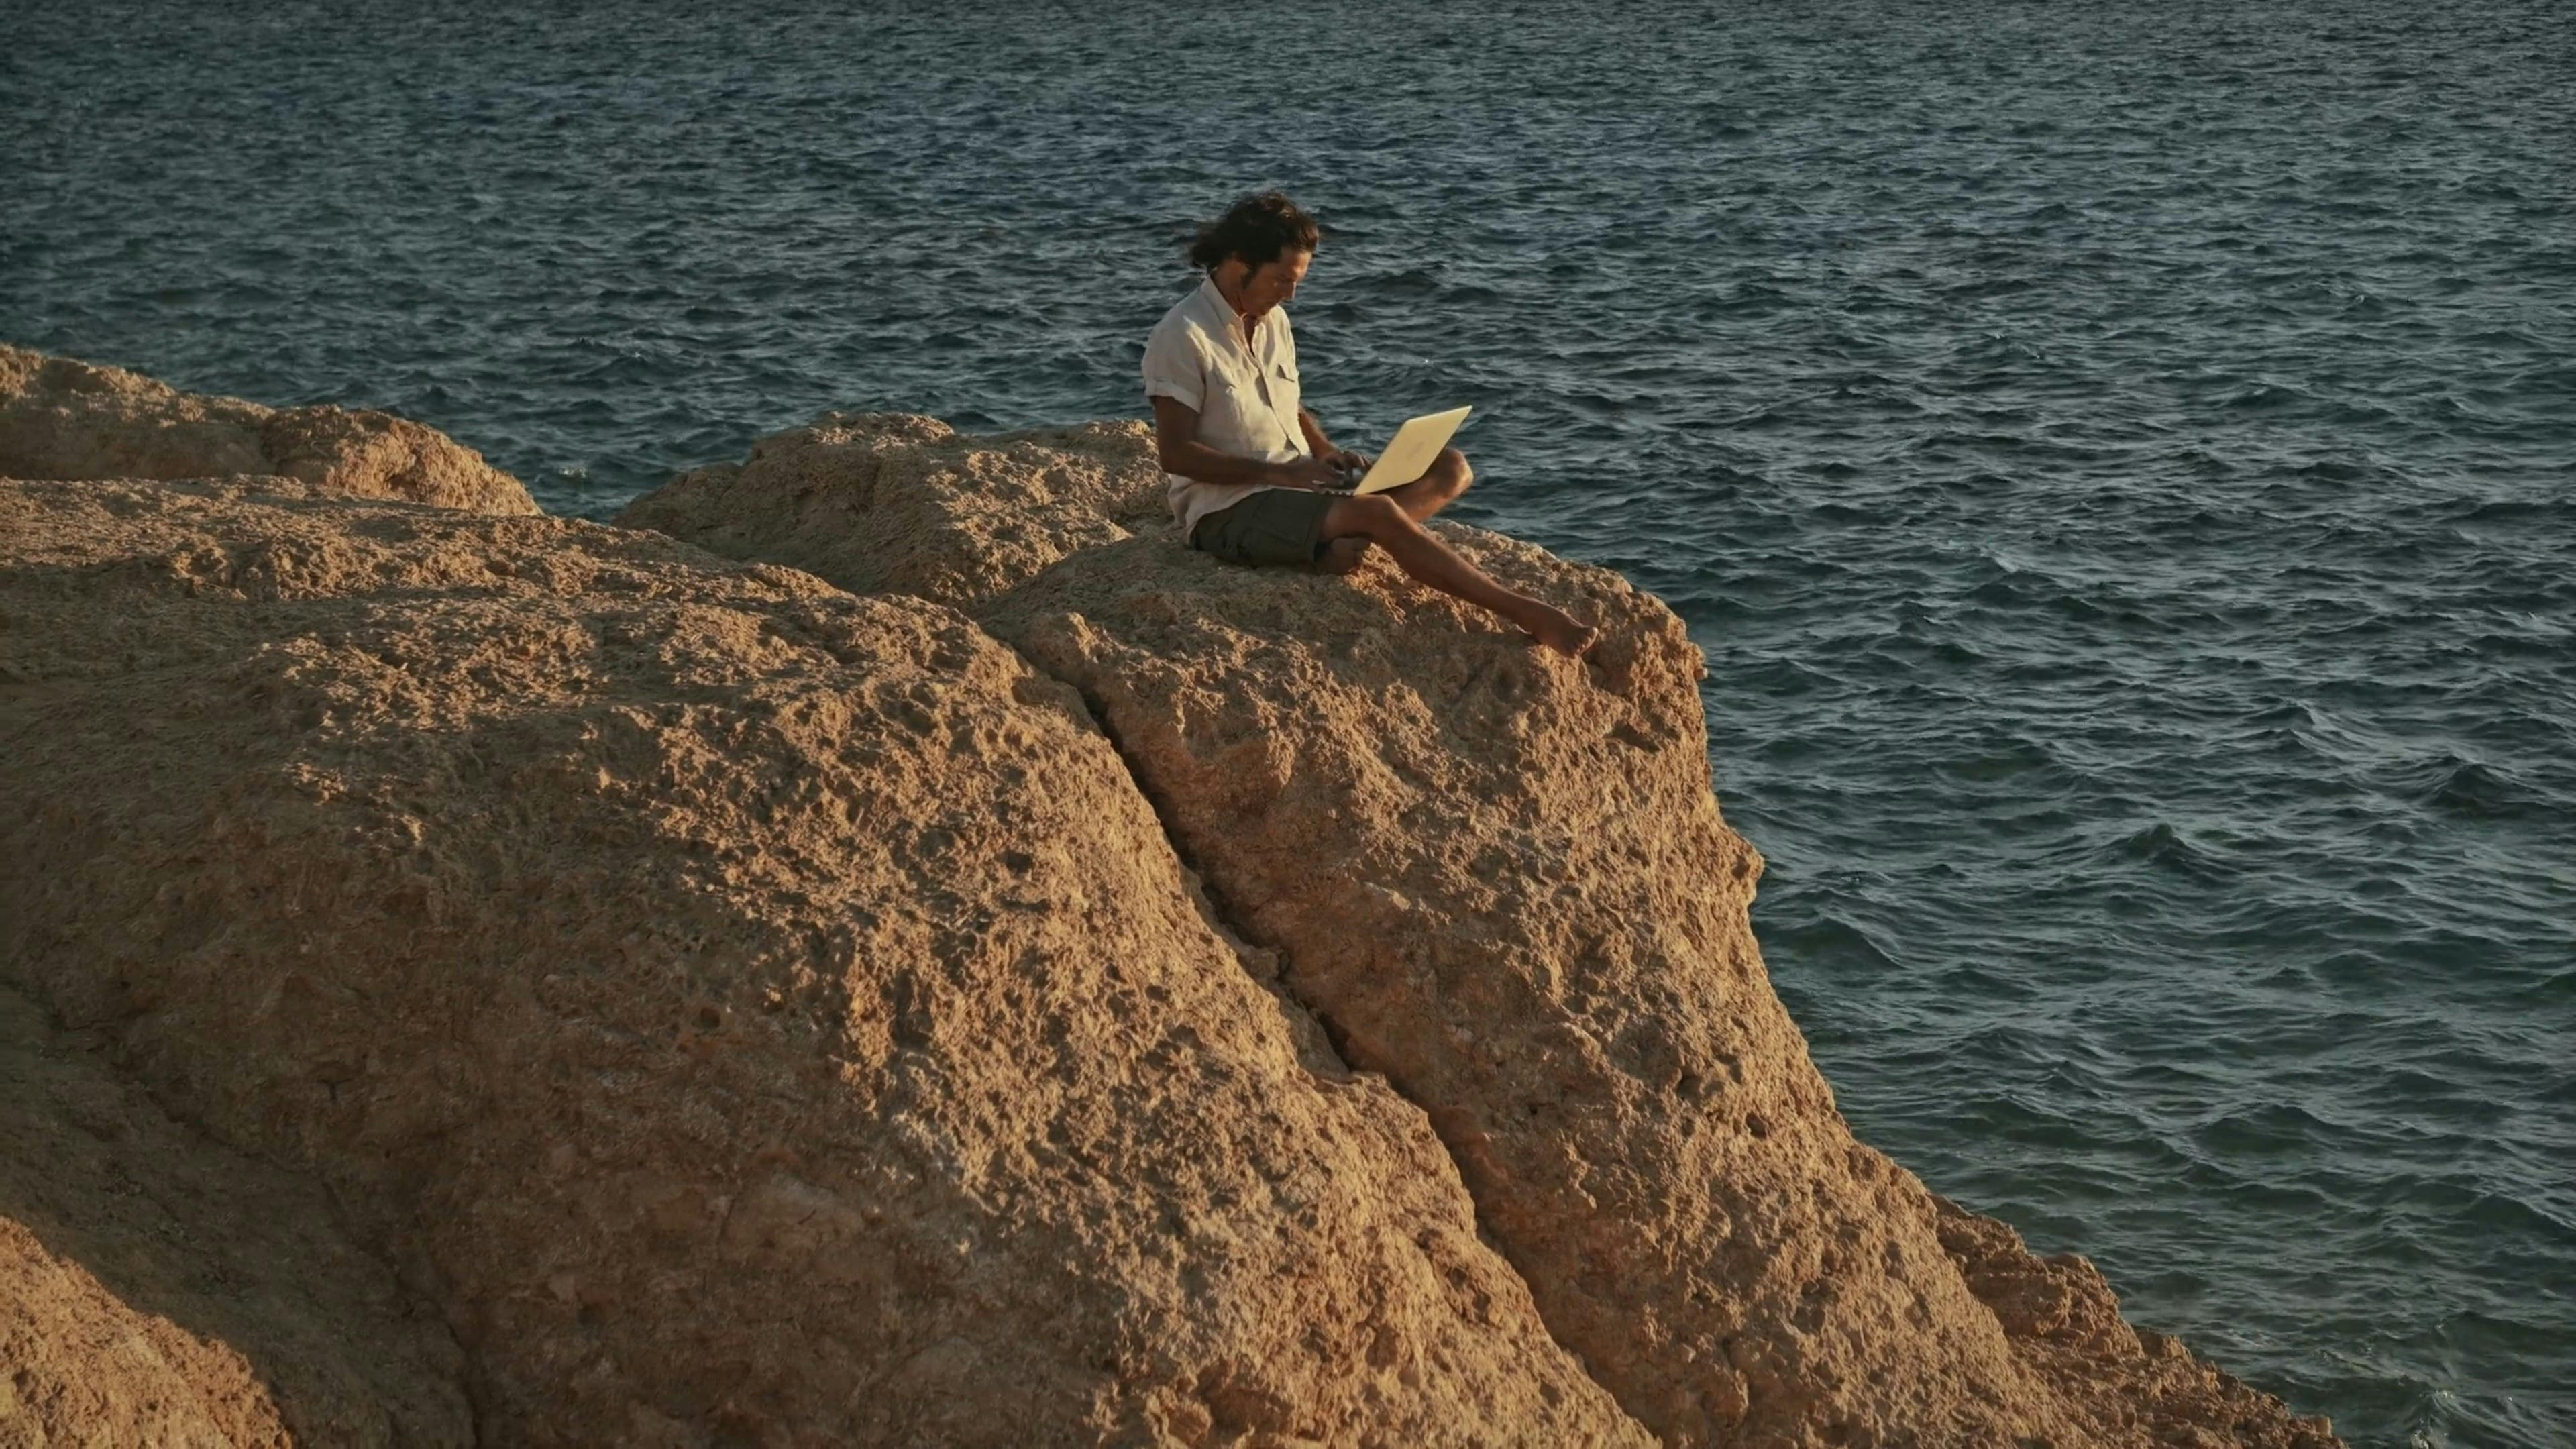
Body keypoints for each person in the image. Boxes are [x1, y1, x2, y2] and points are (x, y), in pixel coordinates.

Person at [1141, 191, 1599, 657]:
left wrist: (1321, 450)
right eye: (1282, 279)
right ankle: (1526, 612)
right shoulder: (1183, 334)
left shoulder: (1273, 321)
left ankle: (1340, 546)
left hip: (1299, 488)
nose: (1291, 294)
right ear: (1239, 262)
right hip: (1229, 509)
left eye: (1297, 281)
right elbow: (1175, 454)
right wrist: (1279, 473)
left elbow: (1288, 406)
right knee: (1378, 511)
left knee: (1450, 467)